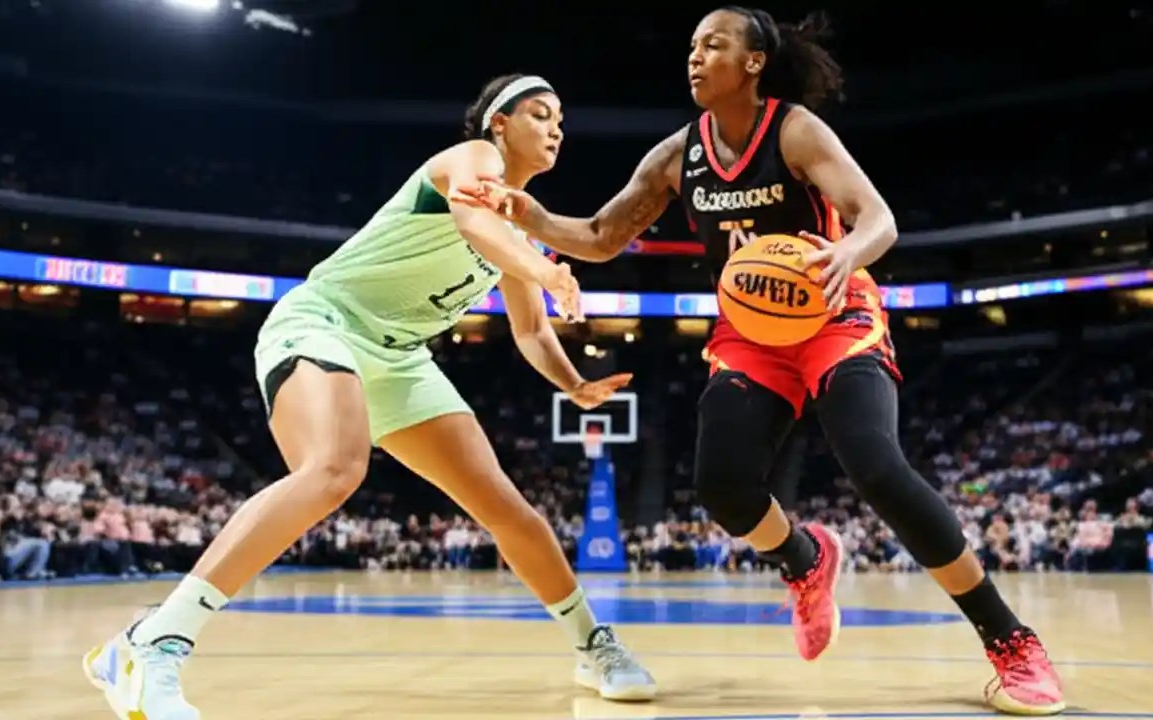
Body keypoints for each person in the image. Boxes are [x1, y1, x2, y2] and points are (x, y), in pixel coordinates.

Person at [456, 9, 1065, 716]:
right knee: (721, 489)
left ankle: (1010, 640)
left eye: (712, 44)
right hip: (751, 330)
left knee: (876, 466)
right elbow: (598, 235)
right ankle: (806, 561)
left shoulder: (794, 129)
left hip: (837, 315)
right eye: (689, 45)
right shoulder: (674, 156)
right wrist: (523, 213)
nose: (694, 56)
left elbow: (878, 219)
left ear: (751, 63)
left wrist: (847, 252)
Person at [82, 73, 658, 720]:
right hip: (324, 321)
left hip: (398, 358)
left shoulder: (517, 234)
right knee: (333, 468)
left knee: (509, 511)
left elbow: (528, 329)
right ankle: (153, 641)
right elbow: (475, 225)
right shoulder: (474, 160)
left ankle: (593, 645)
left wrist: (574, 385)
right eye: (540, 114)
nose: (555, 127)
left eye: (561, 119)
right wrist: (548, 269)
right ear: (498, 122)